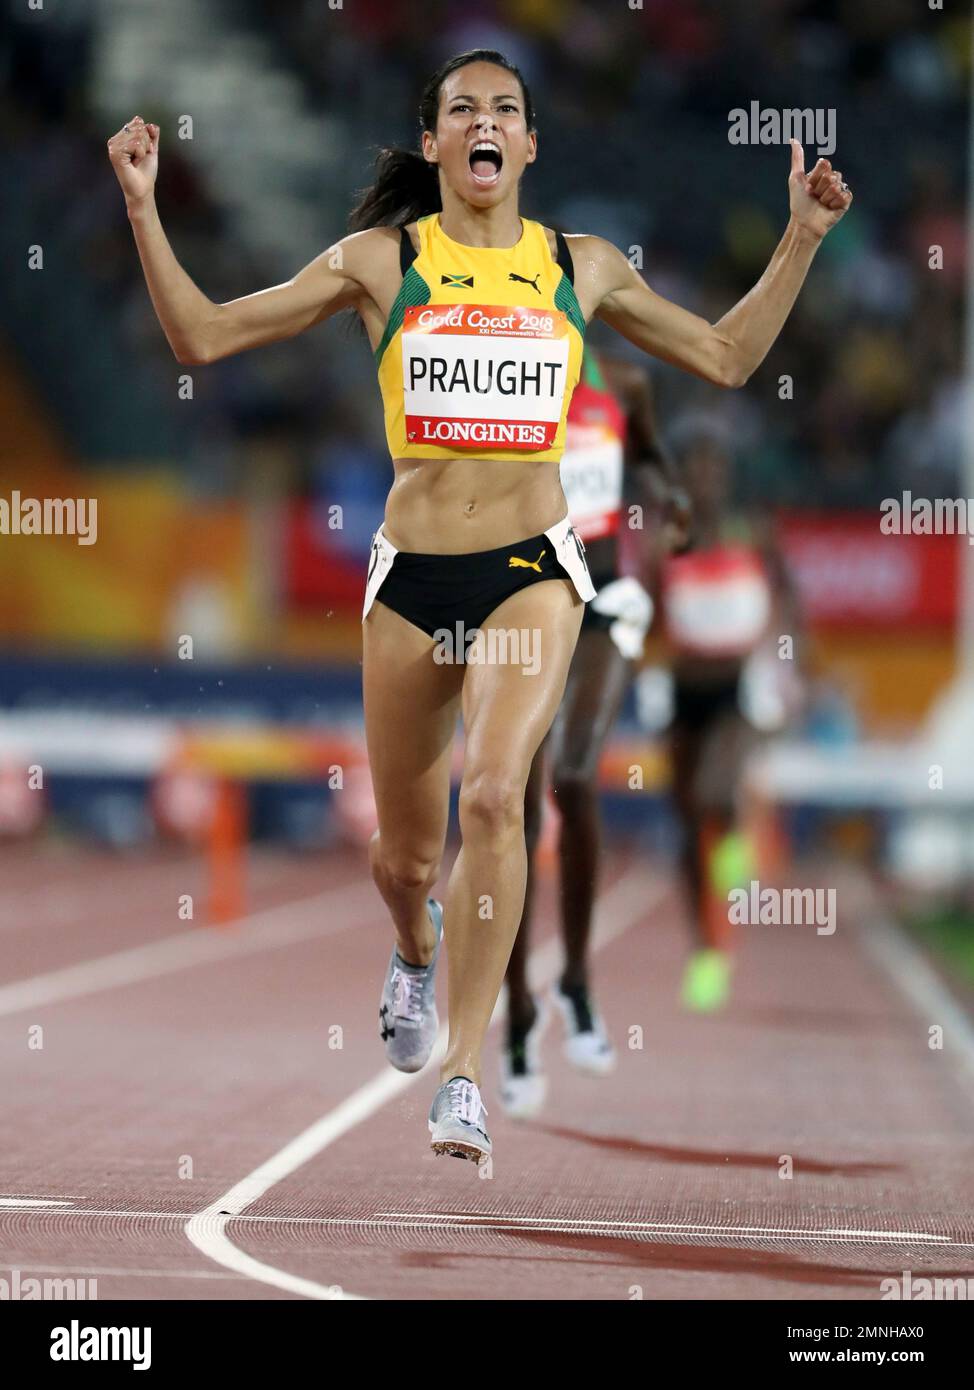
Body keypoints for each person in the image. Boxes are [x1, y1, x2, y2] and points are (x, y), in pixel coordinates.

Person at [108, 48, 852, 1166]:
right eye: (463, 110)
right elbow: (200, 337)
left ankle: (459, 1071)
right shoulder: (379, 260)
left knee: (497, 797)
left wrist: (798, 235)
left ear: (530, 145)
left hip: (531, 571)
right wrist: (140, 204)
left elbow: (726, 356)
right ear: (436, 145)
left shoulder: (578, 266)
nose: (485, 123)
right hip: (412, 579)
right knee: (407, 866)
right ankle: (414, 949)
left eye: (505, 108)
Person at [500, 345, 685, 1117]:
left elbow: (649, 455)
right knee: (511, 802)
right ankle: (516, 1013)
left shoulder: (627, 383)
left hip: (605, 597)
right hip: (522, 595)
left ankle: (574, 980)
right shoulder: (505, 376)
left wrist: (670, 501)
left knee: (575, 776)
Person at [659, 429, 802, 1011]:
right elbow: (642, 606)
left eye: (712, 471)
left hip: (738, 688)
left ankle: (738, 833)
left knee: (717, 790)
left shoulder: (755, 533)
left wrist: (791, 665)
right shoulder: (669, 540)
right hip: (683, 688)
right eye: (693, 471)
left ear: (726, 478)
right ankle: (707, 949)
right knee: (689, 823)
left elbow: (790, 598)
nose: (704, 481)